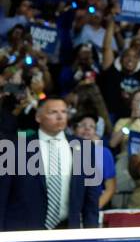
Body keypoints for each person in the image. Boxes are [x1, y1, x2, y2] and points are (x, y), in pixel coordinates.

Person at [0, 98, 101, 230]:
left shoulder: (85, 148)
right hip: (23, 233)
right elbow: (2, 194)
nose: (60, 116)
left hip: (67, 231)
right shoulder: (14, 147)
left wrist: (91, 236)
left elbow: (91, 200)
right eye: (53, 112)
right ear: (38, 117)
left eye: (64, 112)